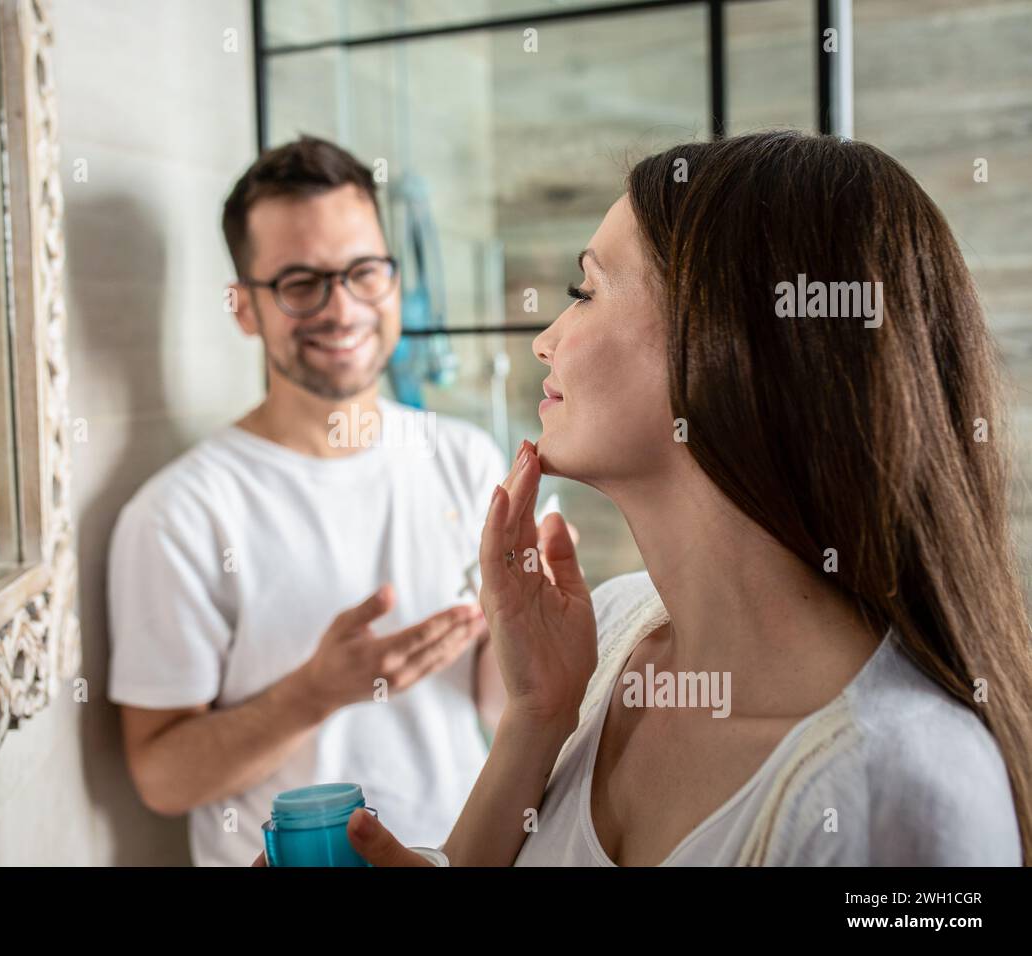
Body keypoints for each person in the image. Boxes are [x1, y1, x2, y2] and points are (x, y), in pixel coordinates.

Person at [262, 131, 1031, 866]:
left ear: (732, 347)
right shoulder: (617, 632)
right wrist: (537, 717)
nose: (546, 338)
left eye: (585, 291)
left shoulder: (900, 785)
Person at [108, 136, 510, 866]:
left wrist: (531, 633)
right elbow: (162, 777)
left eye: (363, 271)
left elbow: (497, 707)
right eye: (300, 283)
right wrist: (316, 693)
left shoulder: (466, 460)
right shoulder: (180, 513)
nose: (342, 307)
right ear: (244, 309)